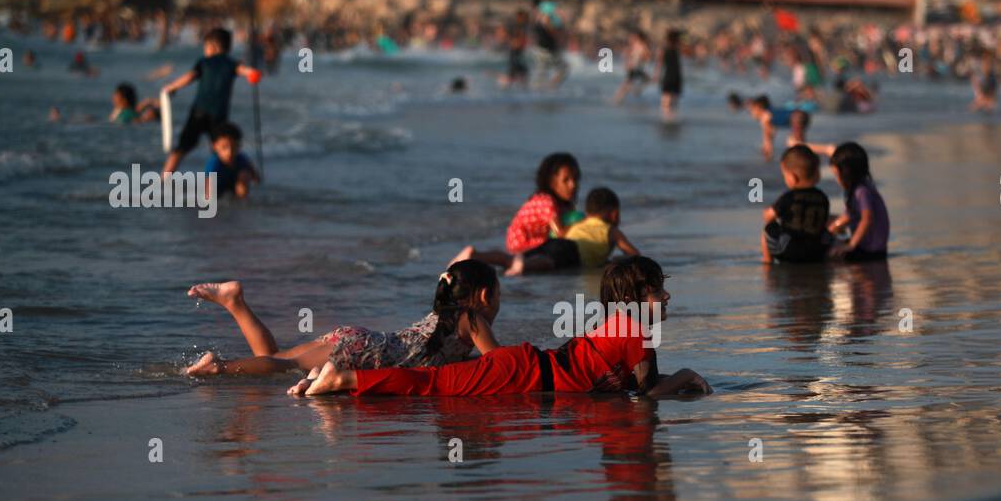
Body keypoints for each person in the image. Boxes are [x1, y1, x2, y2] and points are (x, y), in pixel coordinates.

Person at [294, 256, 712, 398]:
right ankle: (343, 378)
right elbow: (648, 393)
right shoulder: (635, 331)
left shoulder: (623, 326)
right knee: (432, 387)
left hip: (530, 371)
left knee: (433, 384)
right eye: (658, 291)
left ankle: (327, 380)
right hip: (525, 373)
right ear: (635, 301)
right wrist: (689, 376)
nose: (667, 298)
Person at [183, 260, 500, 382]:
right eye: (499, 296)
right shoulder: (472, 320)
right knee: (285, 367)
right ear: (484, 295)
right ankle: (218, 367)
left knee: (278, 359)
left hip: (361, 342)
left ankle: (235, 303)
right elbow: (501, 364)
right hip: (363, 351)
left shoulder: (446, 318)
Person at [454, 187, 640, 276]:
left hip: (555, 242)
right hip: (571, 251)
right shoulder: (612, 230)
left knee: (511, 258)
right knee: (548, 263)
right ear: (614, 213)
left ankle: (476, 255)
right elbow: (633, 254)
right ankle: (524, 266)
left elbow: (562, 234)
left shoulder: (579, 223)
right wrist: (614, 261)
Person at [161, 28, 260, 174]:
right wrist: (252, 73)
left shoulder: (204, 62)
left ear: (213, 46)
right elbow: (243, 70)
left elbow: (189, 77)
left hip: (198, 113)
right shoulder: (231, 63)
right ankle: (224, 179)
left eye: (205, 47)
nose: (205, 51)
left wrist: (171, 87)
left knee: (181, 149)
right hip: (219, 115)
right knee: (220, 149)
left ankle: (163, 180)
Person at [761, 145, 831, 264]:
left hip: (789, 250)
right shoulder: (823, 197)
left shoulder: (789, 197)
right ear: (817, 174)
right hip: (817, 251)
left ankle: (767, 260)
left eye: (784, 176)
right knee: (825, 232)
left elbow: (769, 216)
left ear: (792, 178)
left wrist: (766, 213)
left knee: (768, 228)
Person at [503, 152, 582, 255]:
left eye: (575, 179)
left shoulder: (564, 205)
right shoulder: (546, 201)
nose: (573, 185)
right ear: (551, 182)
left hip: (539, 243)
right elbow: (560, 233)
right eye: (566, 180)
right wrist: (586, 222)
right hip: (521, 246)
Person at [826, 142, 890, 261]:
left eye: (836, 175)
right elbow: (849, 215)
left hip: (871, 251)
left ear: (846, 173)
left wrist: (851, 245)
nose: (836, 180)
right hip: (872, 248)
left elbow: (867, 218)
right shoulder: (863, 186)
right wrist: (831, 229)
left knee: (829, 254)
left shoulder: (862, 191)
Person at [204, 123, 258, 200]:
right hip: (218, 188)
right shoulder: (214, 163)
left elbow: (253, 172)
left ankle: (242, 202)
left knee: (244, 174)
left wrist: (254, 178)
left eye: (234, 147)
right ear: (214, 146)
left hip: (234, 185)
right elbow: (208, 189)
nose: (229, 151)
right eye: (224, 147)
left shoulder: (241, 158)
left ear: (239, 145)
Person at [613, 30, 652, 104]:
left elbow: (627, 53)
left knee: (631, 82)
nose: (631, 39)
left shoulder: (636, 45)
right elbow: (647, 56)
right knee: (629, 83)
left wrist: (627, 62)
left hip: (635, 67)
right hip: (635, 67)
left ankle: (620, 97)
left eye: (633, 37)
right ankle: (620, 98)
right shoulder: (642, 45)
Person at [659, 29, 683, 118]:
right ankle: (672, 117)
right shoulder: (678, 48)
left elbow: (660, 63)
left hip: (668, 75)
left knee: (666, 98)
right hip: (676, 75)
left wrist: (656, 75)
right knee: (674, 99)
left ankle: (666, 117)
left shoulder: (665, 48)